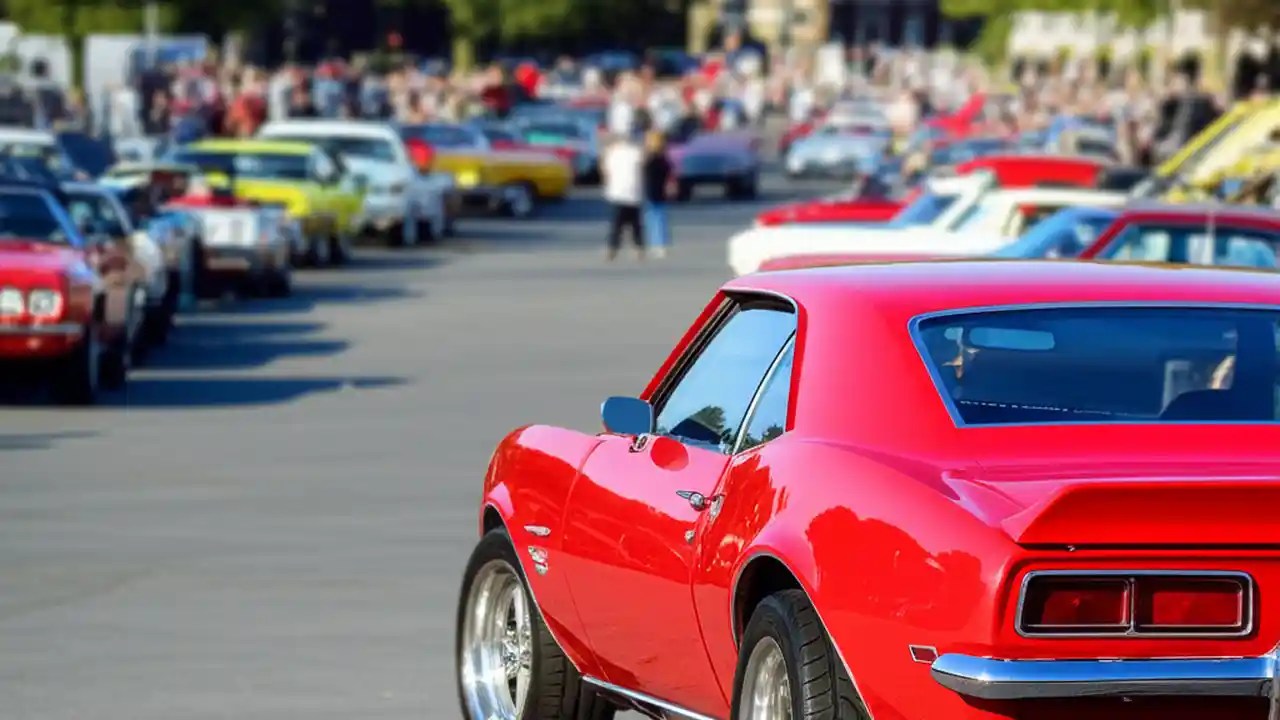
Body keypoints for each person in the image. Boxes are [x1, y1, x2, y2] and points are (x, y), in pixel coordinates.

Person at [600, 132, 645, 261]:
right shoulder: (636, 152)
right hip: (634, 192)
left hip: (617, 192)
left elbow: (605, 171)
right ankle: (639, 248)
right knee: (636, 224)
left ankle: (612, 249)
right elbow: (642, 164)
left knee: (616, 225)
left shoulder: (612, 153)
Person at [642, 130, 672, 258]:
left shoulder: (651, 160)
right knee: (659, 218)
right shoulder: (664, 159)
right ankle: (659, 244)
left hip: (651, 191)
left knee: (654, 219)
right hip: (660, 191)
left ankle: (657, 244)